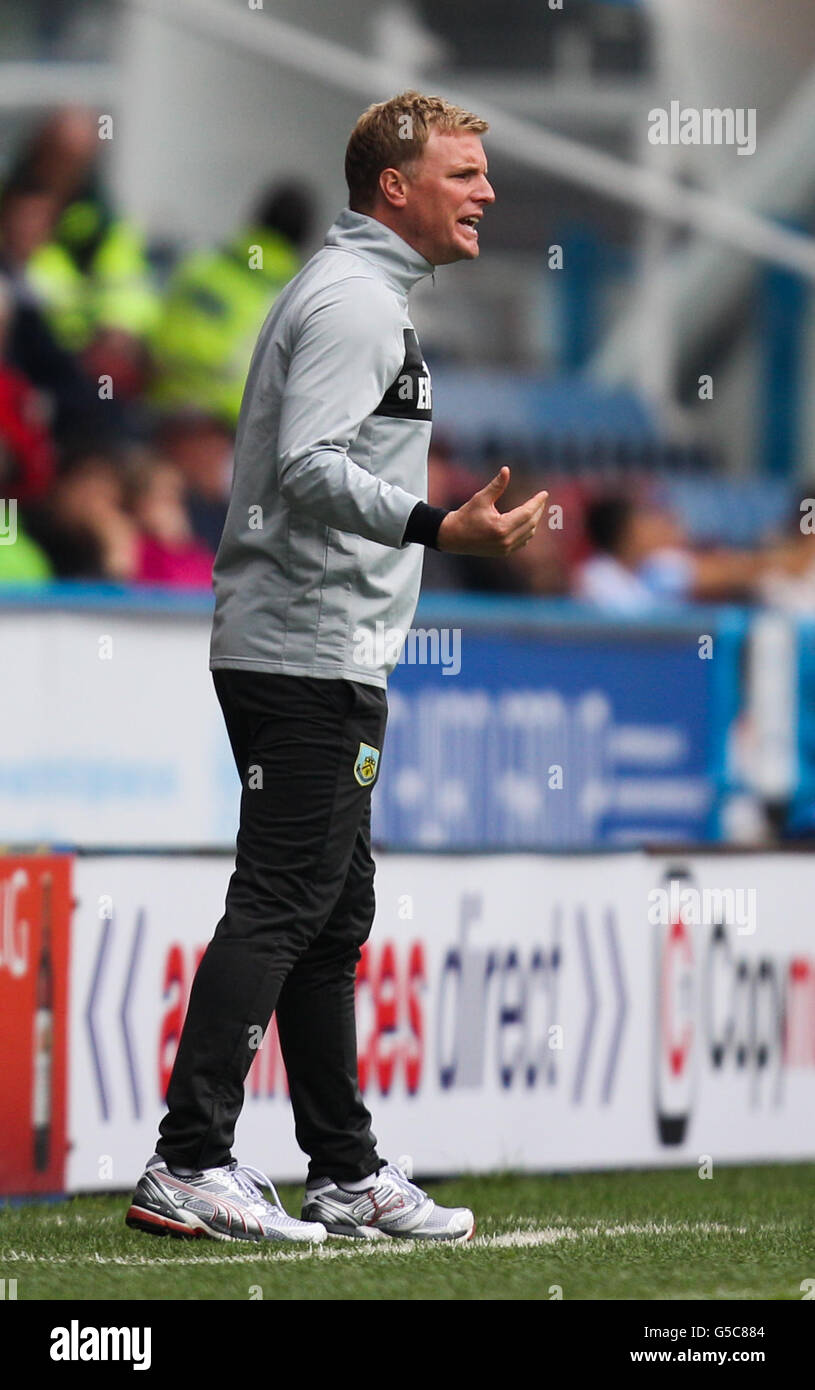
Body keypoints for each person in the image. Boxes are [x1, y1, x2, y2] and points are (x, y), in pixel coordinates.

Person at [125, 89, 548, 1246]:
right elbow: (307, 467)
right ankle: (190, 1158)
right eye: (463, 174)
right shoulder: (356, 301)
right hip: (304, 646)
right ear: (395, 188)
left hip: (317, 644)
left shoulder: (360, 292)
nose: (486, 193)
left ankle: (345, 1170)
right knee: (284, 895)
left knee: (326, 903)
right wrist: (434, 527)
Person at [149, 180, 315, 427]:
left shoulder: (200, 262)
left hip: (158, 408)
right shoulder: (292, 298)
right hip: (225, 428)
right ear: (304, 239)